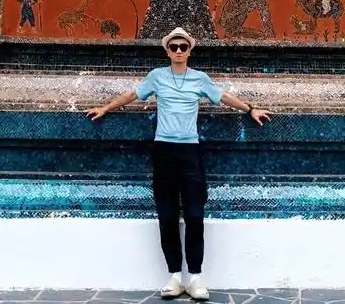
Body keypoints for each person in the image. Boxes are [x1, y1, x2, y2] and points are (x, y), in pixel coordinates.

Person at [86, 26, 271, 300]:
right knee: (168, 216)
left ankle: (195, 277)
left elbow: (223, 97)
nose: (179, 51)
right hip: (164, 151)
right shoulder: (157, 77)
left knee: (195, 215)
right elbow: (132, 94)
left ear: (190, 50)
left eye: (183, 47)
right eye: (174, 47)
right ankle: (174, 276)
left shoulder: (200, 79)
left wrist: (250, 108)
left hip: (190, 151)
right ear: (167, 50)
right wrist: (106, 107)